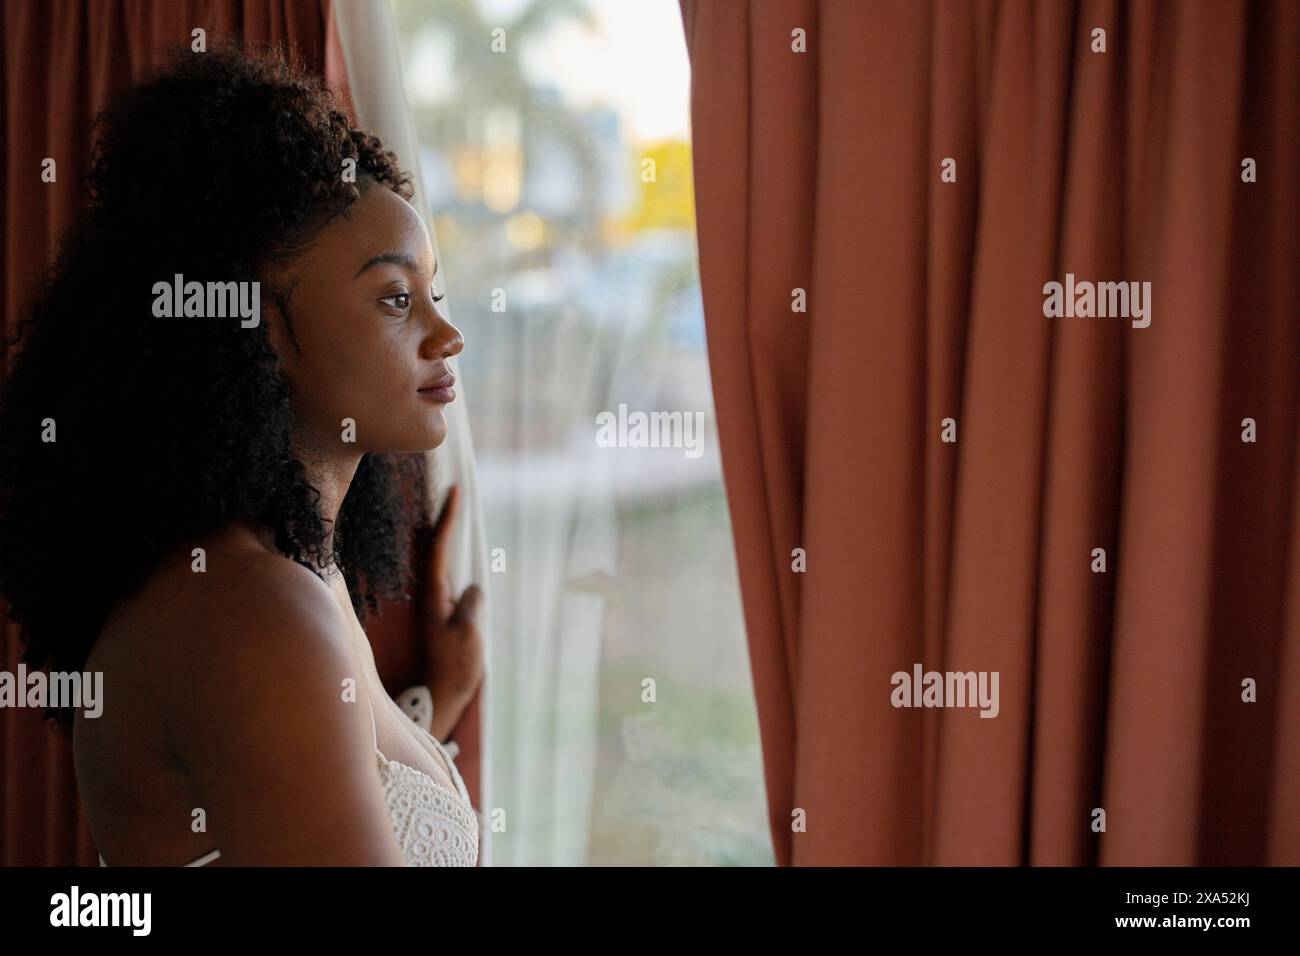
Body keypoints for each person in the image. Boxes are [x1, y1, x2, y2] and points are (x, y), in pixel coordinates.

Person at [0, 44, 485, 866]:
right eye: (396, 298)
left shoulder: (293, 584)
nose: (447, 335)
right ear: (254, 329)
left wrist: (436, 703)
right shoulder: (256, 616)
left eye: (433, 292)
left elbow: (303, 789)